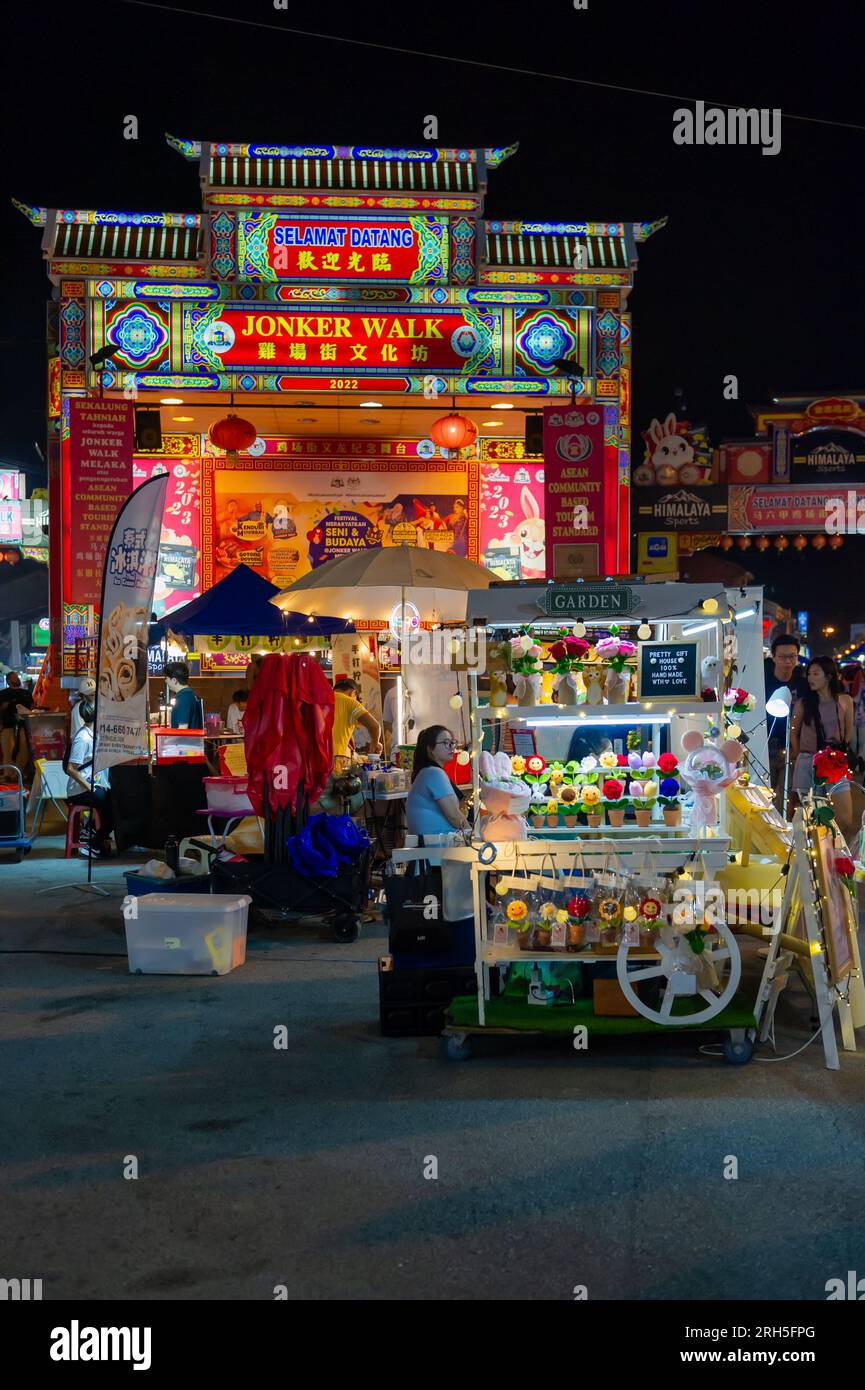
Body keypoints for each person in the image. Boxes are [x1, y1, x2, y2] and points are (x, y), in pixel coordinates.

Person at [789, 656, 854, 831]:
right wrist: (799, 756)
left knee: (845, 819)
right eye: (809, 674)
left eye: (816, 673)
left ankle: (834, 851)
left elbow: (849, 732)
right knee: (810, 819)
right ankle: (819, 855)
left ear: (829, 676)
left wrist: (841, 751)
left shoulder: (844, 700)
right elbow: (793, 732)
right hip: (808, 761)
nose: (810, 678)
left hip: (834, 760)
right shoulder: (804, 702)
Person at [764, 633, 807, 812]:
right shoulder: (763, 681)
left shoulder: (803, 684)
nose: (788, 661)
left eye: (792, 656)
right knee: (764, 796)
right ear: (774, 657)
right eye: (782, 657)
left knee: (785, 802)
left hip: (792, 748)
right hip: (766, 746)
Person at [66, 699, 114, 857]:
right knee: (112, 806)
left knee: (115, 803)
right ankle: (92, 844)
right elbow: (71, 769)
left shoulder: (93, 734)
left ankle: (93, 834)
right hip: (79, 790)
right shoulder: (83, 738)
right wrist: (91, 788)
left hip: (91, 785)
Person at [406, 726, 470, 837]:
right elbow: (454, 816)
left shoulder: (426, 772)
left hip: (434, 843)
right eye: (445, 742)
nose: (451, 747)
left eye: (452, 742)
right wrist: (473, 835)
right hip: (437, 847)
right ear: (430, 748)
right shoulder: (434, 773)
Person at [332, 677, 381, 763]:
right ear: (353, 693)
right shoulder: (350, 701)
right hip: (336, 761)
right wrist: (375, 743)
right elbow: (375, 726)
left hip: (315, 761)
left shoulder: (322, 700)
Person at [0, 671, 34, 776]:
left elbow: (32, 707)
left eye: (16, 676)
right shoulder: (3, 694)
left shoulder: (26, 693)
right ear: (9, 680)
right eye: (14, 677)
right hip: (7, 726)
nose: (17, 678)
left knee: (23, 752)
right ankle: (8, 775)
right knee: (8, 751)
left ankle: (17, 774)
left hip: (23, 726)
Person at [841, 663, 865, 773]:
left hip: (851, 718)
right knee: (863, 742)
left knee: (852, 742)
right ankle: (860, 759)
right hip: (863, 717)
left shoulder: (846, 685)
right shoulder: (863, 686)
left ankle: (854, 762)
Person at [164, 661, 203, 729]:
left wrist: (166, 740)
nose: (165, 681)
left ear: (174, 680)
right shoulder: (190, 694)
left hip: (185, 739)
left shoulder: (183, 697)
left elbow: (182, 729)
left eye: (166, 678)